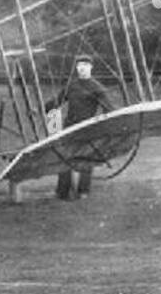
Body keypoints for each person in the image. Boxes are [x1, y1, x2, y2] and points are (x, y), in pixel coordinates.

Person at [48, 54, 114, 200]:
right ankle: (62, 192)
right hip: (69, 128)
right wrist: (40, 108)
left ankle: (83, 191)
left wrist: (101, 124)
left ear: (91, 67)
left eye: (85, 65)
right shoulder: (72, 85)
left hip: (88, 129)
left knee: (86, 160)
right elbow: (56, 102)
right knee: (65, 159)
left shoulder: (97, 88)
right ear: (76, 68)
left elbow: (109, 110)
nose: (82, 68)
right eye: (79, 65)